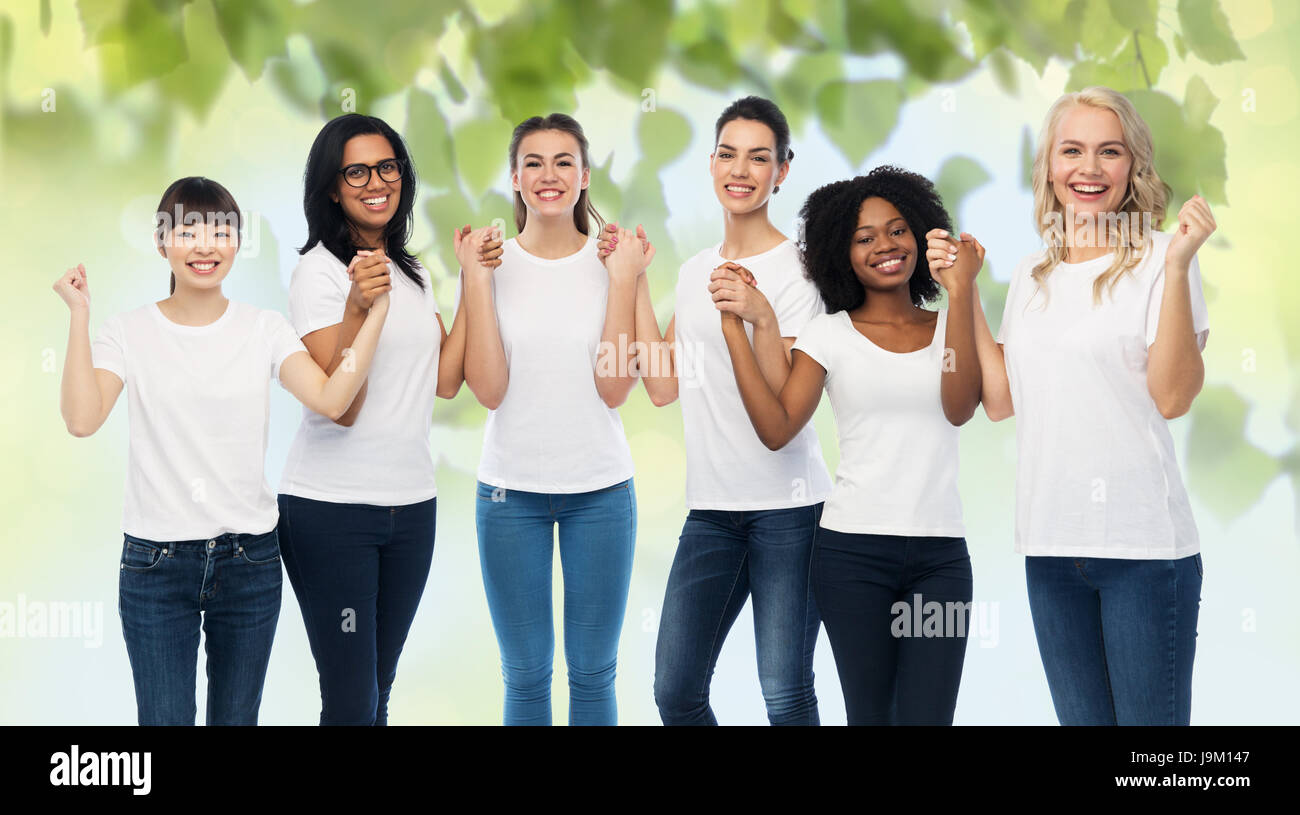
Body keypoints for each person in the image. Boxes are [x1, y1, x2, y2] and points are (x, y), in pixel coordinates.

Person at [55, 176, 388, 725]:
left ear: (237, 241)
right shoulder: (127, 331)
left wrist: (373, 314)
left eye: (219, 231)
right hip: (156, 565)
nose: (204, 246)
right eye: (187, 232)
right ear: (161, 242)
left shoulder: (265, 329)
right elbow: (81, 419)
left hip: (249, 562)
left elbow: (332, 398)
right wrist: (78, 315)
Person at [949, 86, 1214, 725]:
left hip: (1143, 551)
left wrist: (1180, 268)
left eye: (1109, 151)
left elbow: (1173, 396)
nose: (1089, 168)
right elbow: (1001, 400)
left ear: (1133, 165)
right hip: (1049, 545)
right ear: (1048, 166)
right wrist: (966, 291)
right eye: (1071, 151)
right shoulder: (1032, 273)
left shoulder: (1163, 258)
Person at [721, 166, 982, 725]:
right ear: (841, 254)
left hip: (940, 560)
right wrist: (734, 331)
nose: (885, 245)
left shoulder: (952, 327)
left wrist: (962, 293)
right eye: (864, 238)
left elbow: (960, 406)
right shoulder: (828, 334)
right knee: (870, 717)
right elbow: (778, 429)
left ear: (920, 234)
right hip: (852, 558)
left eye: (898, 230)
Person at [604, 96, 832, 725]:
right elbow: (661, 385)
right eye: (728, 154)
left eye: (759, 157)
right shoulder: (695, 271)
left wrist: (757, 315)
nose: (741, 169)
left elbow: (785, 404)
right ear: (711, 164)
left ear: (782, 171)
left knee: (785, 693)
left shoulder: (801, 272)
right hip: (711, 511)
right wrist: (637, 278)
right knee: (676, 692)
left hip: (791, 512)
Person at [276, 113, 500, 725]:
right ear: (331, 187)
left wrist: (473, 280)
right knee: (351, 702)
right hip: (330, 511)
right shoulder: (319, 272)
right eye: (356, 172)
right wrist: (358, 307)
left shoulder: (410, 271)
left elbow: (444, 380)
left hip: (411, 509)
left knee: (378, 689)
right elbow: (340, 402)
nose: (376, 182)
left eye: (387, 167)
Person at [459, 113, 645, 726]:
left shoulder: (615, 262)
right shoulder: (490, 264)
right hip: (508, 494)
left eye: (564, 162)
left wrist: (624, 280)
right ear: (515, 179)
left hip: (601, 491)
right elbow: (489, 391)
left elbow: (615, 389)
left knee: (593, 673)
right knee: (526, 674)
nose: (549, 175)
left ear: (584, 176)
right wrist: (475, 281)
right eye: (533, 163)